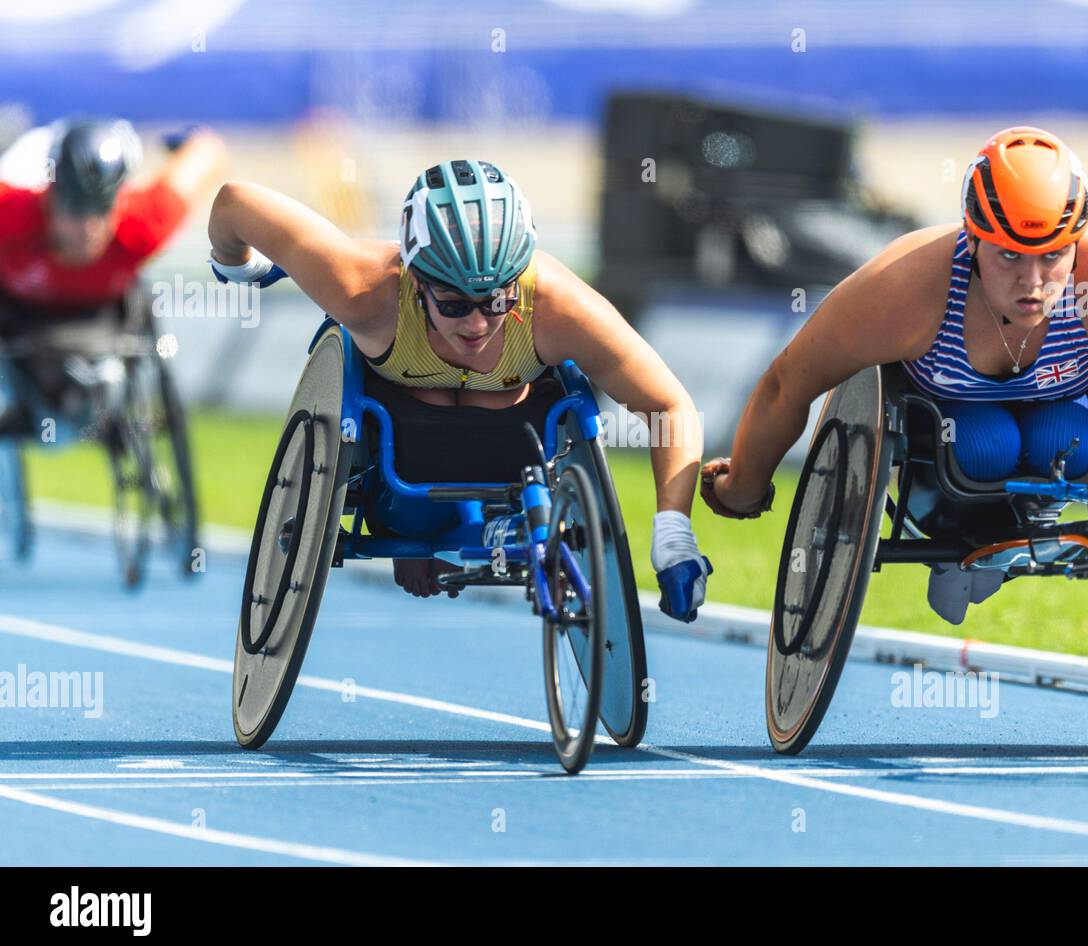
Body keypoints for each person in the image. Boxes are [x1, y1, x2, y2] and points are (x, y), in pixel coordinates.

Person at [700, 126, 1088, 620]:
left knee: (1066, 437)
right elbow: (788, 381)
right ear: (973, 238)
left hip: (1068, 425)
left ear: (1079, 243)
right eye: (1009, 254)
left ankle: (1019, 527)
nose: (1033, 283)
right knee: (987, 443)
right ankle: (968, 543)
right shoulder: (910, 287)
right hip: (946, 453)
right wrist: (743, 486)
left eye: (1053, 256)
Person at [207, 159, 713, 621]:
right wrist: (238, 265)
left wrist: (673, 533)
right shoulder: (364, 289)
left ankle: (474, 524)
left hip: (512, 467)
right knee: (422, 432)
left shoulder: (557, 307)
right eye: (452, 304)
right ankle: (425, 531)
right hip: (397, 477)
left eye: (495, 301)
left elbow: (667, 404)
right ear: (416, 280)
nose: (476, 324)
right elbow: (233, 200)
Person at [0, 117, 228, 433]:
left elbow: (206, 154)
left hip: (104, 323)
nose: (87, 227)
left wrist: (185, 142)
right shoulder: (10, 214)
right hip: (18, 322)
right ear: (50, 196)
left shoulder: (141, 224)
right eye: (75, 208)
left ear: (118, 201)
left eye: (100, 208)